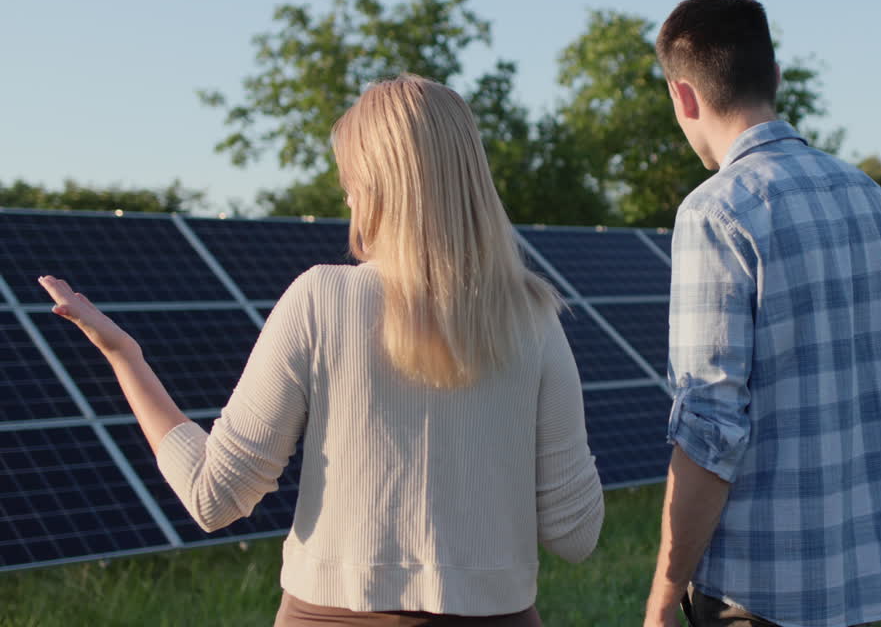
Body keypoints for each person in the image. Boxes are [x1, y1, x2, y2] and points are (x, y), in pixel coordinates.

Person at [38, 75, 604, 626]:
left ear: (375, 186)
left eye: (349, 182)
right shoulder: (536, 318)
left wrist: (125, 358)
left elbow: (213, 495)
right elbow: (576, 536)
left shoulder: (323, 297)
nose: (349, 198)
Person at [642, 0, 881, 627]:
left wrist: (663, 599)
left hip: (756, 598)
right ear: (773, 75)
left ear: (682, 96)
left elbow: (709, 430)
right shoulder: (874, 201)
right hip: (863, 585)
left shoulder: (715, 212)